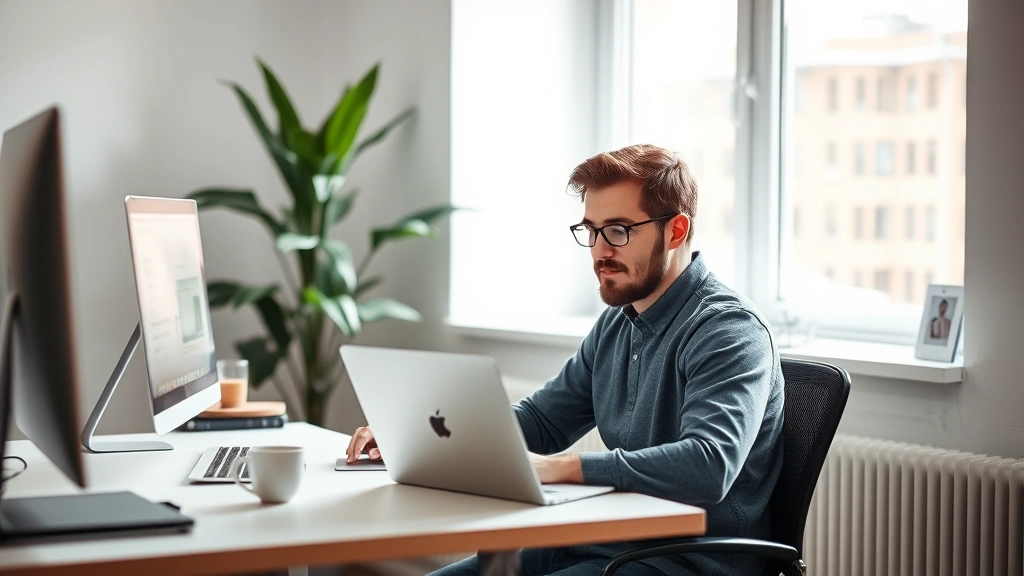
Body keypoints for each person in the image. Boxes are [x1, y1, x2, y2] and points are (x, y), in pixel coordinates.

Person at [346, 144, 784, 575]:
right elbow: (542, 421)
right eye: (591, 231)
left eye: (618, 230)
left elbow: (709, 465)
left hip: (681, 562)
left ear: (676, 230)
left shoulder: (728, 331)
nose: (599, 251)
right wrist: (420, 438)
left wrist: (564, 468)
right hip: (602, 540)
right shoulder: (619, 322)